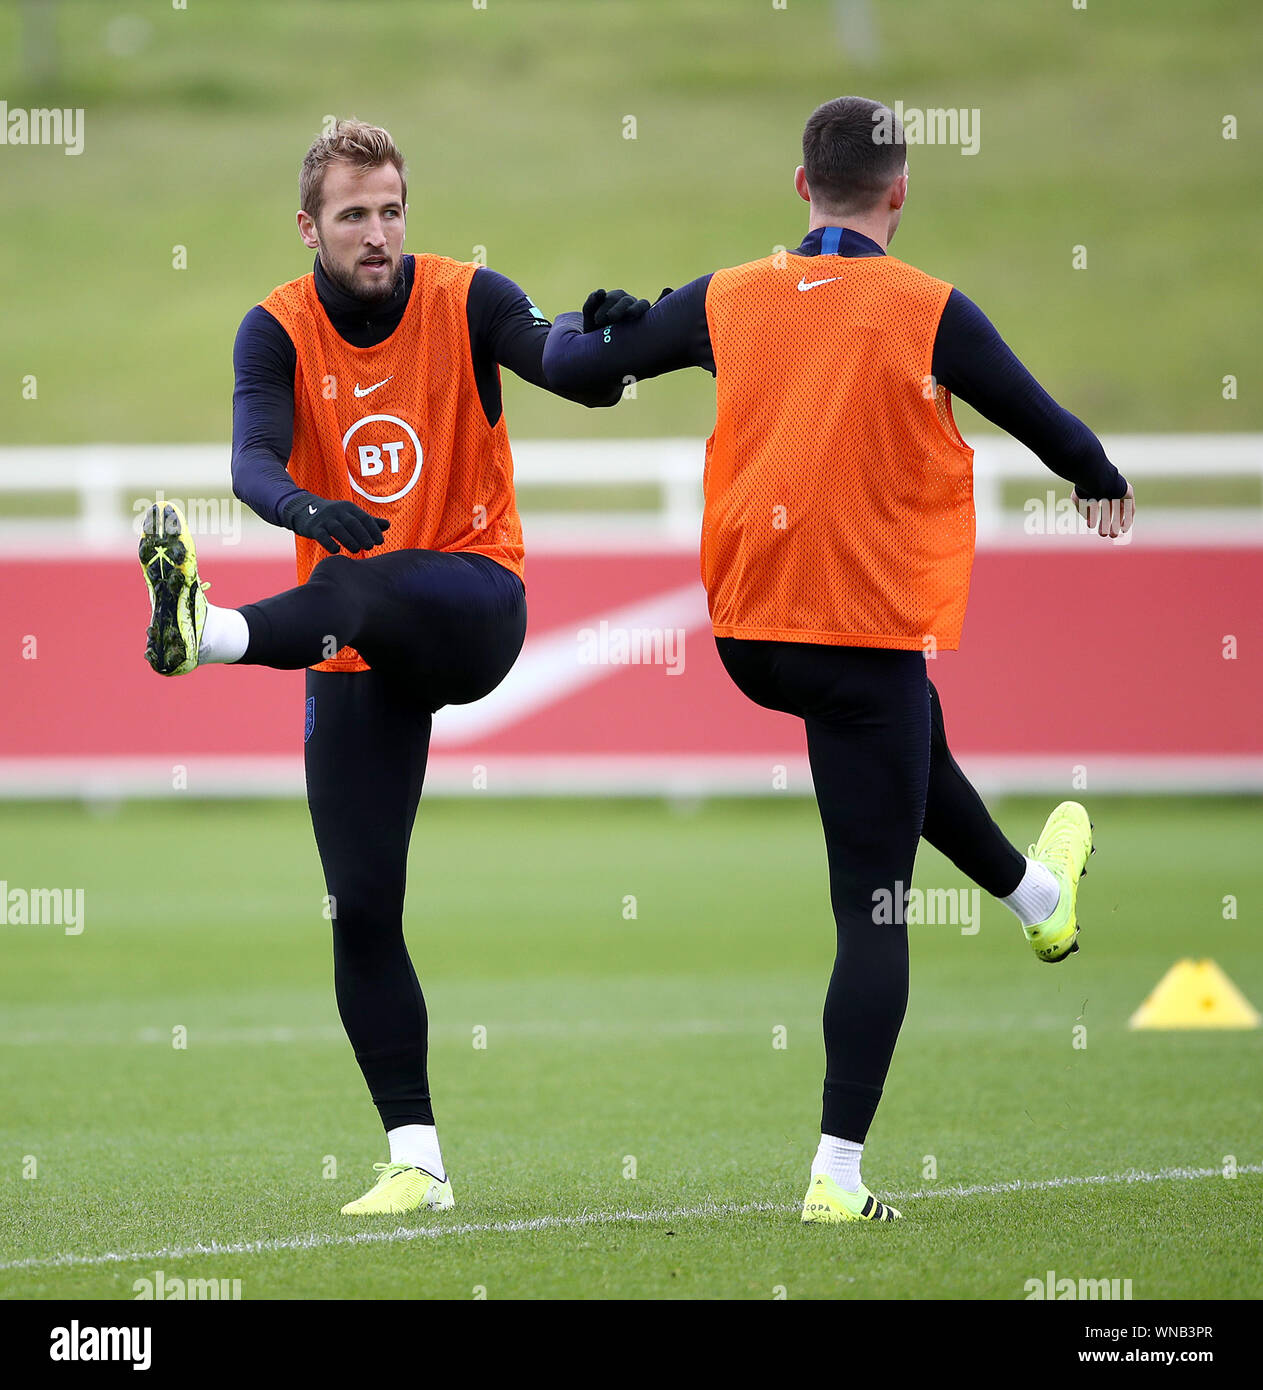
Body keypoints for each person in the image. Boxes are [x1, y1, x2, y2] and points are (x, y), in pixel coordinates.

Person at [542, 95, 1134, 1224]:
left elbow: (588, 364)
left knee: (918, 751)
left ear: (798, 186)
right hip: (858, 632)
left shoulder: (731, 292)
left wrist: (593, 325)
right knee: (874, 907)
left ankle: (1039, 897)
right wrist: (1101, 480)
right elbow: (1043, 421)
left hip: (752, 635)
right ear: (900, 192)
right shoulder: (930, 310)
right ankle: (837, 1176)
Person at [139, 118, 622, 1217]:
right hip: (345, 641)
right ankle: (419, 1161)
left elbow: (562, 365)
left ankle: (203, 633)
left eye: (392, 208)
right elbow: (251, 458)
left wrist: (614, 349)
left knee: (357, 582)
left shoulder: (468, 295)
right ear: (308, 226)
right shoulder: (273, 328)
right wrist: (306, 508)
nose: (378, 232)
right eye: (354, 214)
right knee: (361, 905)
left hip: (471, 602)